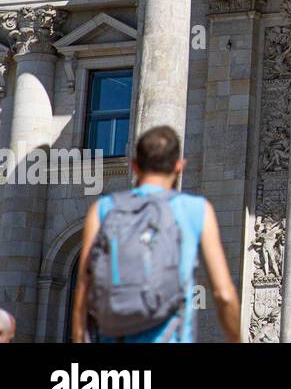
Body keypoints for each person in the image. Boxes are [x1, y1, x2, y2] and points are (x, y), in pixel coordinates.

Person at [71, 126, 240, 343]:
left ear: (134, 166)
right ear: (179, 166)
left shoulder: (103, 209)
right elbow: (224, 295)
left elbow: (84, 286)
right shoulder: (196, 209)